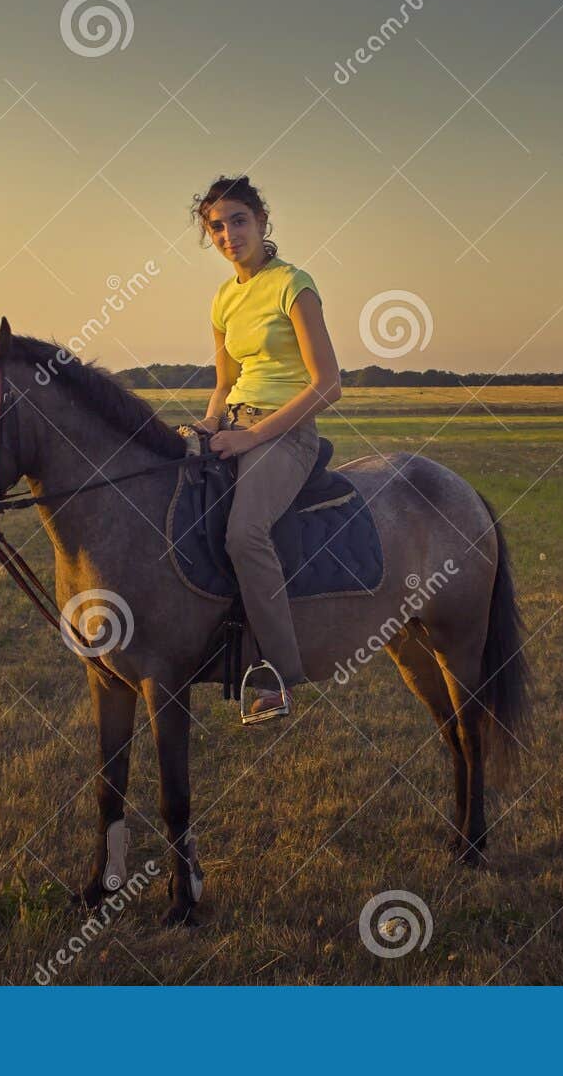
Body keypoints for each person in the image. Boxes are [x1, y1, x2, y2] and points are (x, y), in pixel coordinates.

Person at [189, 175, 343, 724]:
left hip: (287, 433)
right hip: (234, 422)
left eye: (239, 221)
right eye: (217, 226)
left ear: (262, 223)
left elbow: (328, 384)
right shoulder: (224, 300)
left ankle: (278, 673)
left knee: (243, 533)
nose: (229, 234)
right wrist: (208, 425)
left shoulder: (292, 285)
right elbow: (223, 381)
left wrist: (254, 436)